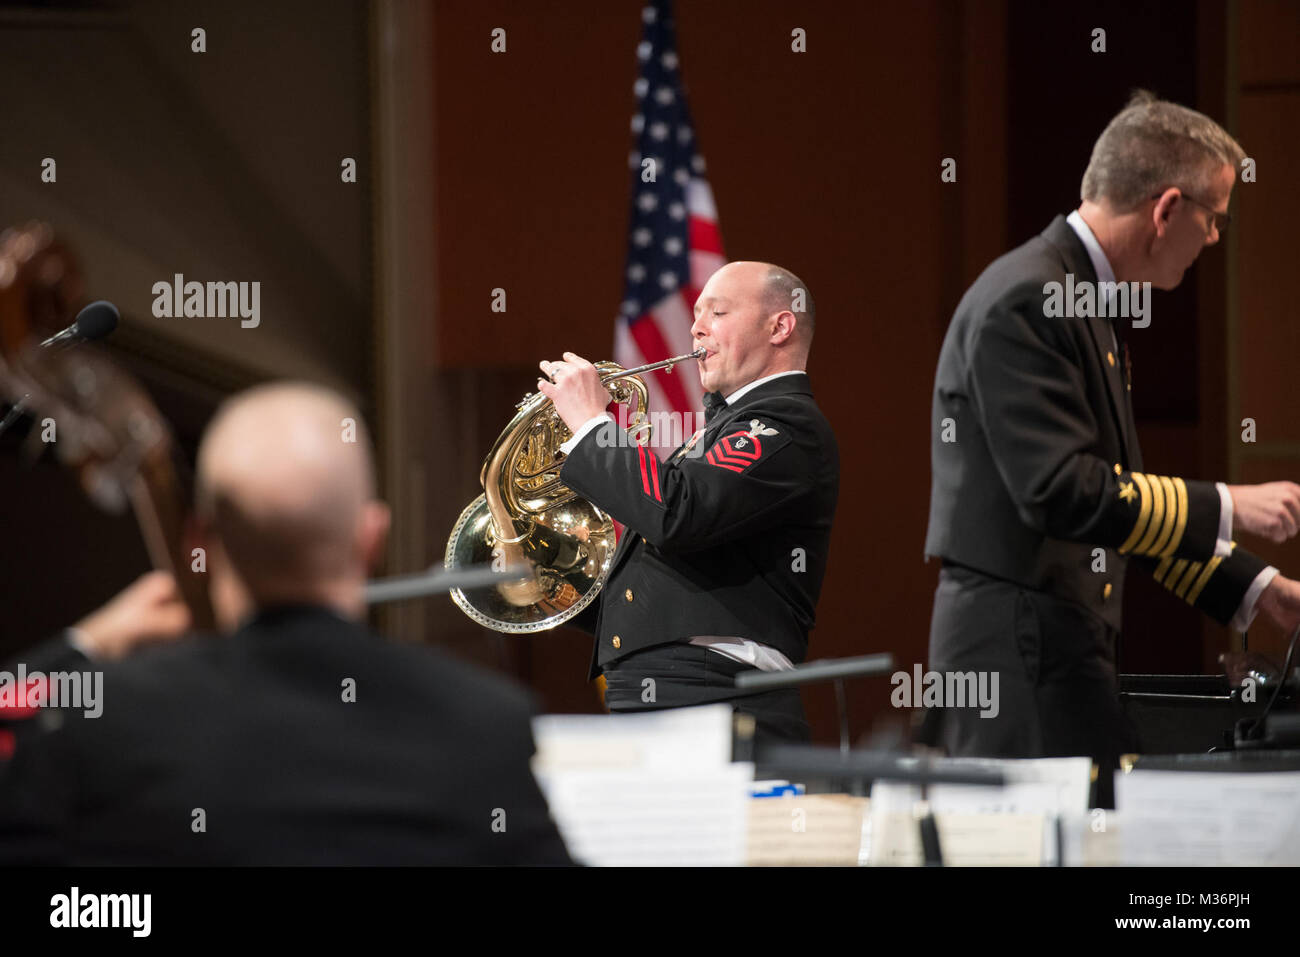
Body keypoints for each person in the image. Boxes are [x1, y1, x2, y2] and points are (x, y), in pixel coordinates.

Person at [0, 383, 572, 865]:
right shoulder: (484, 724)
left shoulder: (100, 722)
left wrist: (85, 644)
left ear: (200, 540)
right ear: (371, 538)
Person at [924, 91, 1300, 767]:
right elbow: (1061, 492)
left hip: (1055, 644)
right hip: (1014, 655)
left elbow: (1123, 507)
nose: (1214, 238)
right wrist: (1230, 502)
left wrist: (1260, 590)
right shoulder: (1032, 296)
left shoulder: (1081, 302)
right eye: (1214, 219)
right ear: (1167, 209)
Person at [537, 260, 839, 749]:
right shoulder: (720, 432)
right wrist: (549, 566)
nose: (695, 327)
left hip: (712, 695)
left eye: (717, 312)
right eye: (697, 313)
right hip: (662, 691)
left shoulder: (784, 425)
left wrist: (593, 425)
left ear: (780, 326)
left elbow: (677, 513)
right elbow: (661, 578)